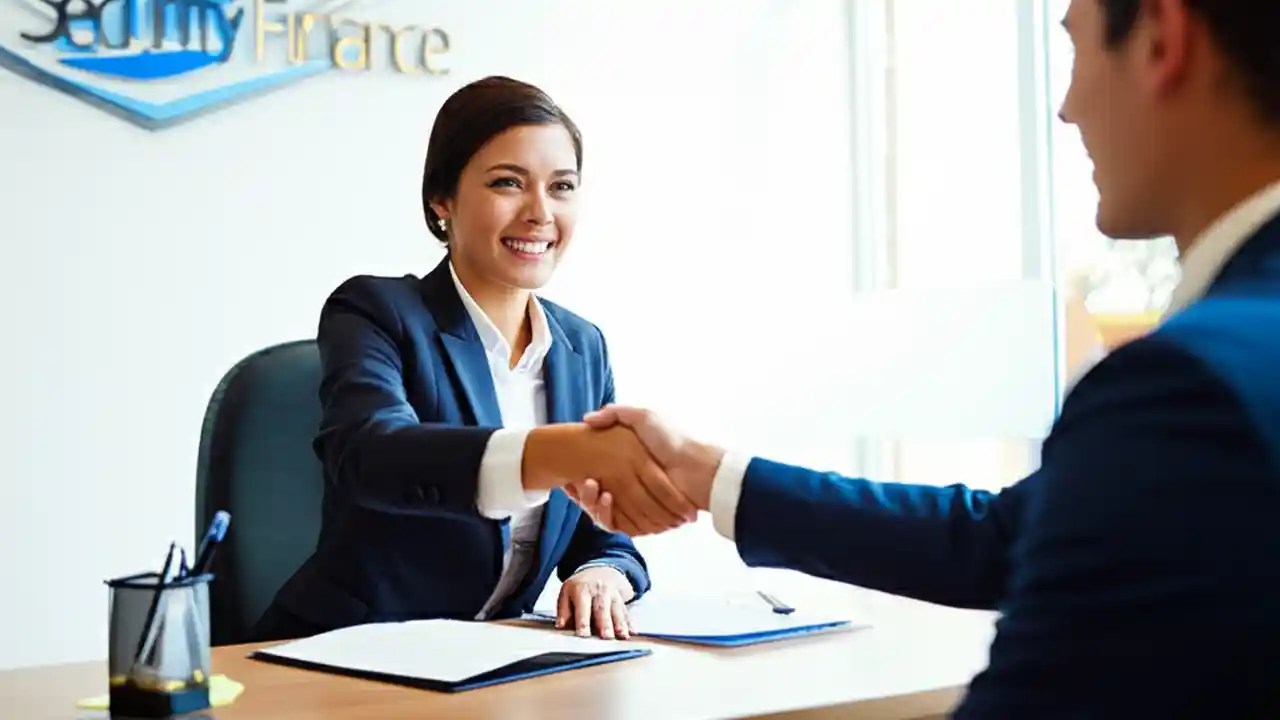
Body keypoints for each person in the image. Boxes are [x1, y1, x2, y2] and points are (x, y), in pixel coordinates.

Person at [572, 0, 1280, 715]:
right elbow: (1005, 538)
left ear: (1163, 39)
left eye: (1076, 50)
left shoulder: (1186, 387)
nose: (1065, 109)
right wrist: (710, 475)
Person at [253, 76, 696, 643]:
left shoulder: (582, 347)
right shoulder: (375, 310)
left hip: (493, 664)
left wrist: (602, 574)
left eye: (562, 187)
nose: (540, 212)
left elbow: (599, 529)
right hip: (349, 656)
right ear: (442, 199)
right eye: (508, 183)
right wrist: (547, 454)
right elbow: (370, 453)